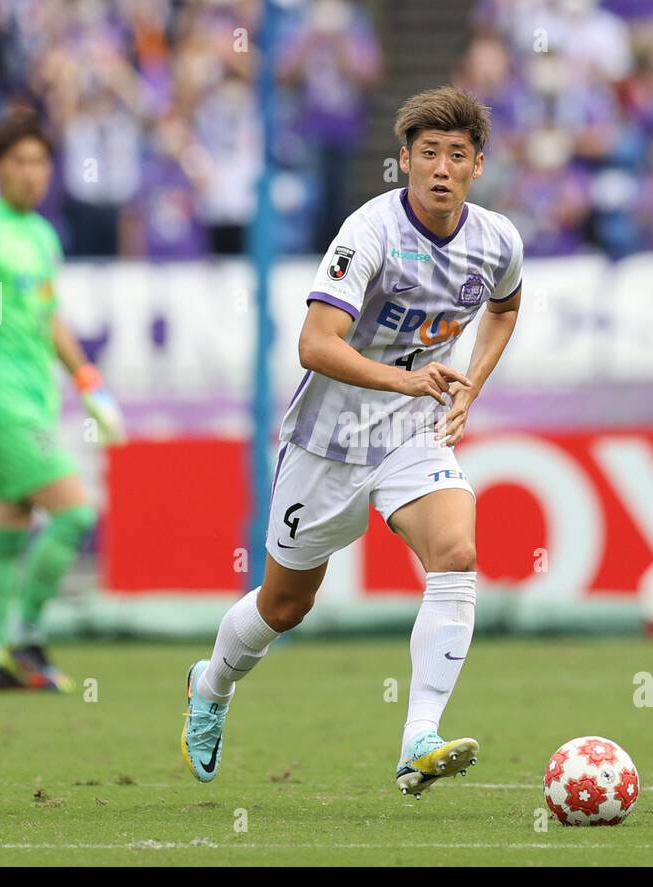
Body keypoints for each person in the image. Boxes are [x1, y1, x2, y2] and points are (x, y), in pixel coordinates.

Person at [181, 86, 524, 798]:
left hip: (411, 432)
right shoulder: (368, 232)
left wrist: (471, 385)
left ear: (477, 166)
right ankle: (211, 686)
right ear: (402, 162)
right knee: (285, 607)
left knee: (457, 552)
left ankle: (418, 739)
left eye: (455, 156)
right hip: (327, 437)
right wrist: (404, 383)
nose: (440, 168)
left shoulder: (497, 241)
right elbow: (313, 343)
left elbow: (506, 305)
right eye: (426, 153)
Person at [0, 110, 125, 696]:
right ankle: (23, 638)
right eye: (19, 161)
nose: (32, 173)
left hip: (38, 399)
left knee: (7, 530)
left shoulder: (43, 237)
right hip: (4, 402)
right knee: (74, 512)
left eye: (41, 162)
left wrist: (88, 382)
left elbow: (49, 321)